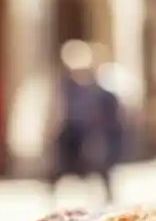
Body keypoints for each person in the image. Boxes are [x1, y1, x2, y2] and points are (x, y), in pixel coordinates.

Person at [49, 55, 124, 203]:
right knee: (63, 169)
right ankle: (55, 198)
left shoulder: (100, 90)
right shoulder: (66, 89)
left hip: (93, 135)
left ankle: (107, 198)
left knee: (99, 167)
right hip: (72, 135)